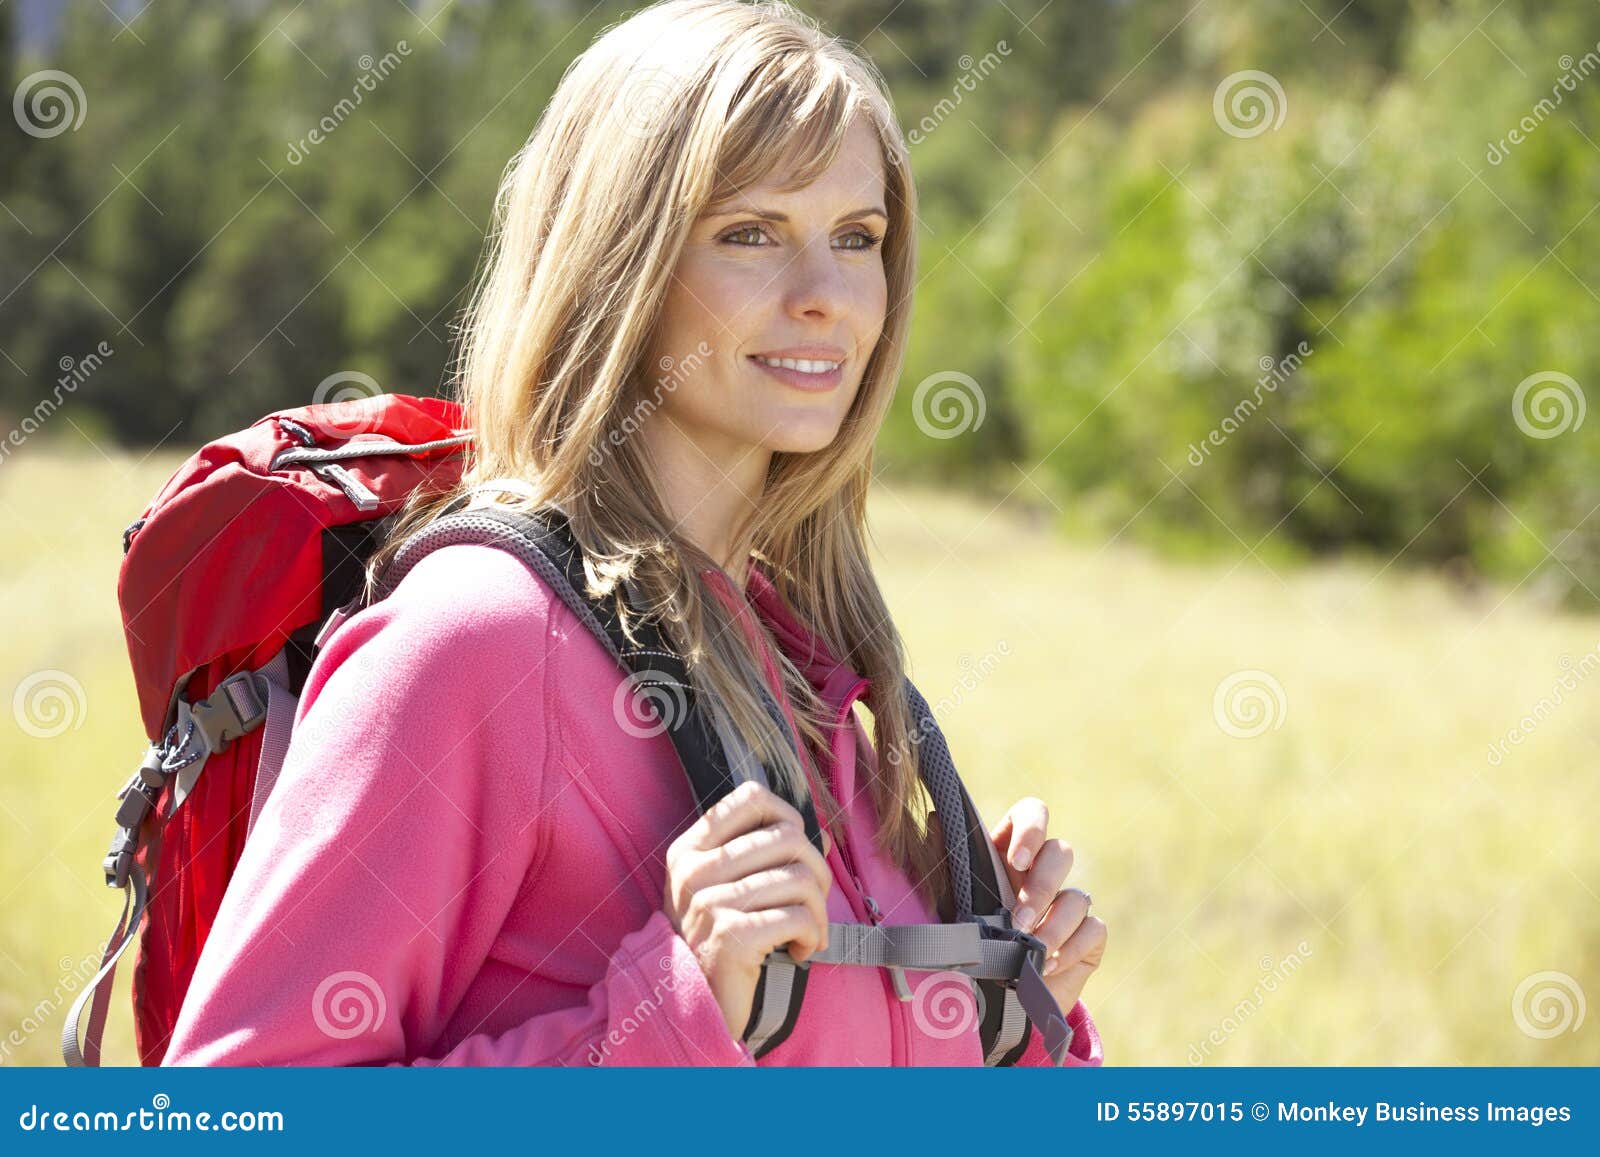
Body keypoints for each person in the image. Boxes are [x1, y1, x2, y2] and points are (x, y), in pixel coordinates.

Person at [162, 0, 1106, 1066]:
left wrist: (1005, 1017)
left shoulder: (808, 665)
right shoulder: (477, 640)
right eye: (750, 233)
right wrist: (676, 1012)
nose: (827, 297)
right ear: (619, 260)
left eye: (858, 237)